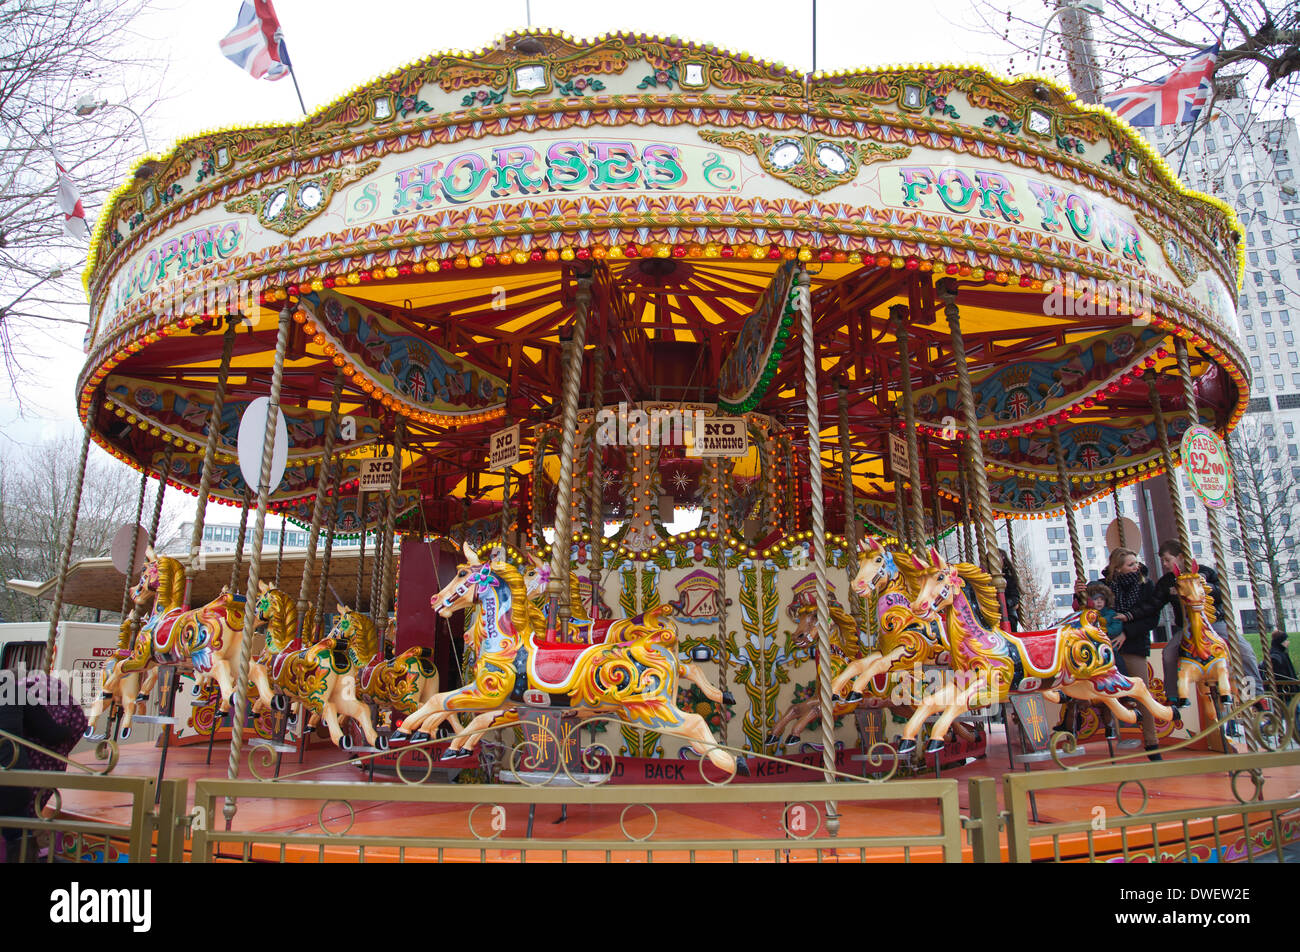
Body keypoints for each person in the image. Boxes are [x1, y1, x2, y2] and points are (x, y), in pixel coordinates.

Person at [1140, 540, 1263, 709]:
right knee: (1169, 652)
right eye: (1164, 561)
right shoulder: (1168, 581)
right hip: (1188, 628)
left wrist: (1203, 585)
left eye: (1168, 559)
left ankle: (1256, 693)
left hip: (1213, 624)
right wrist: (1130, 614)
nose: (1165, 564)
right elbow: (1153, 604)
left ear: (1181, 557)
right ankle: (1173, 696)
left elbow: (1222, 592)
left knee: (1245, 650)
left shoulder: (1205, 573)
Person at [1067, 548, 1162, 758]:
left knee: (1142, 694)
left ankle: (1151, 742)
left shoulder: (1145, 585)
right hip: (1106, 647)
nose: (1136, 567)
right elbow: (1086, 608)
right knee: (1092, 686)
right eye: (1131, 564)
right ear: (1117, 568)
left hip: (1133, 644)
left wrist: (1126, 632)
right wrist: (1078, 592)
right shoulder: (1103, 586)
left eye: (1136, 563)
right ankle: (1099, 726)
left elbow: (1152, 617)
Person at [1269, 630, 1298, 700]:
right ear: (1281, 641)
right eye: (1286, 640)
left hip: (1289, 691)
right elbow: (1280, 675)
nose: (1288, 642)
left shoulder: (1281, 653)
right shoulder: (1275, 656)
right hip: (1285, 693)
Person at [1001, 549, 1022, 631]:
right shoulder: (987, 579)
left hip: (1007, 615)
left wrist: (1004, 603)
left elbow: (1015, 598)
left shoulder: (1009, 579)